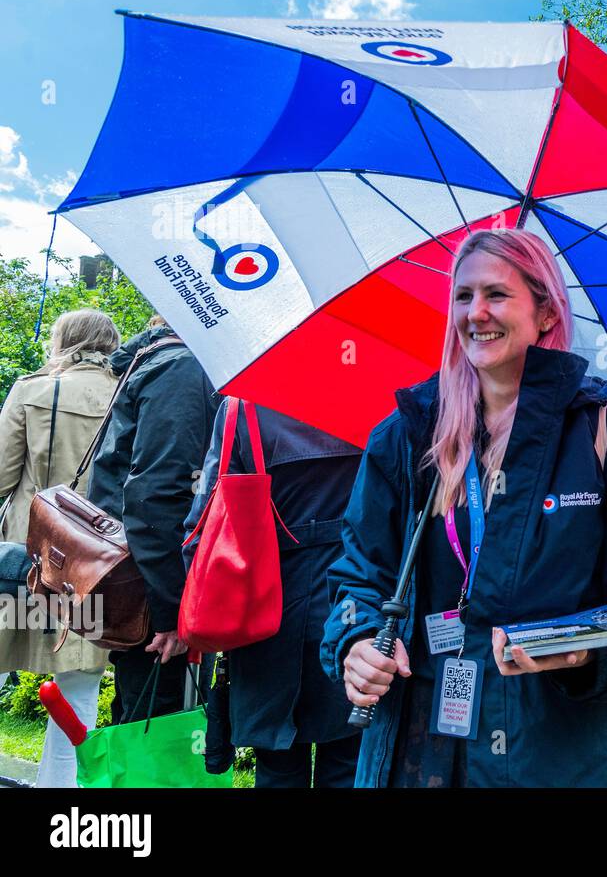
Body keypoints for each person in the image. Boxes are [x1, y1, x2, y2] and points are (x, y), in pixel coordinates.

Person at [321, 228, 607, 787]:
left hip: (558, 750)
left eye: (497, 295)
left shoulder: (603, 431)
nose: (476, 312)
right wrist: (354, 644)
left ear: (545, 313)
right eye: (463, 295)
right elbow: (358, 577)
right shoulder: (406, 437)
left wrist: (586, 651)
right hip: (422, 753)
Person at [182, 400, 363, 787]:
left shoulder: (244, 406)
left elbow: (202, 525)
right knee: (350, 759)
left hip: (265, 611)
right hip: (354, 603)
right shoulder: (375, 400)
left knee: (277, 765)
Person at [0, 309, 120, 787]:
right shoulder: (129, 395)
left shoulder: (31, 391)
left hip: (25, 561)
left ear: (62, 342)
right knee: (77, 692)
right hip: (96, 567)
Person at [88, 318, 221, 721]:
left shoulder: (157, 359)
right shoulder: (183, 368)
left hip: (141, 576)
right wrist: (172, 613)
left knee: (140, 720)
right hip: (154, 584)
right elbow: (157, 494)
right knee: (157, 724)